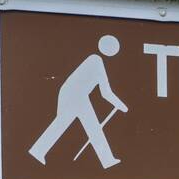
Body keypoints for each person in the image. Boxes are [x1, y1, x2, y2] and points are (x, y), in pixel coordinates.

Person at [29, 35, 127, 168]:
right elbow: (105, 92)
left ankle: (38, 150)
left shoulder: (95, 60)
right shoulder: (96, 60)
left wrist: (119, 104)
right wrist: (120, 105)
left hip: (72, 94)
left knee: (72, 124)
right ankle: (107, 160)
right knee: (91, 127)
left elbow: (105, 92)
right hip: (76, 96)